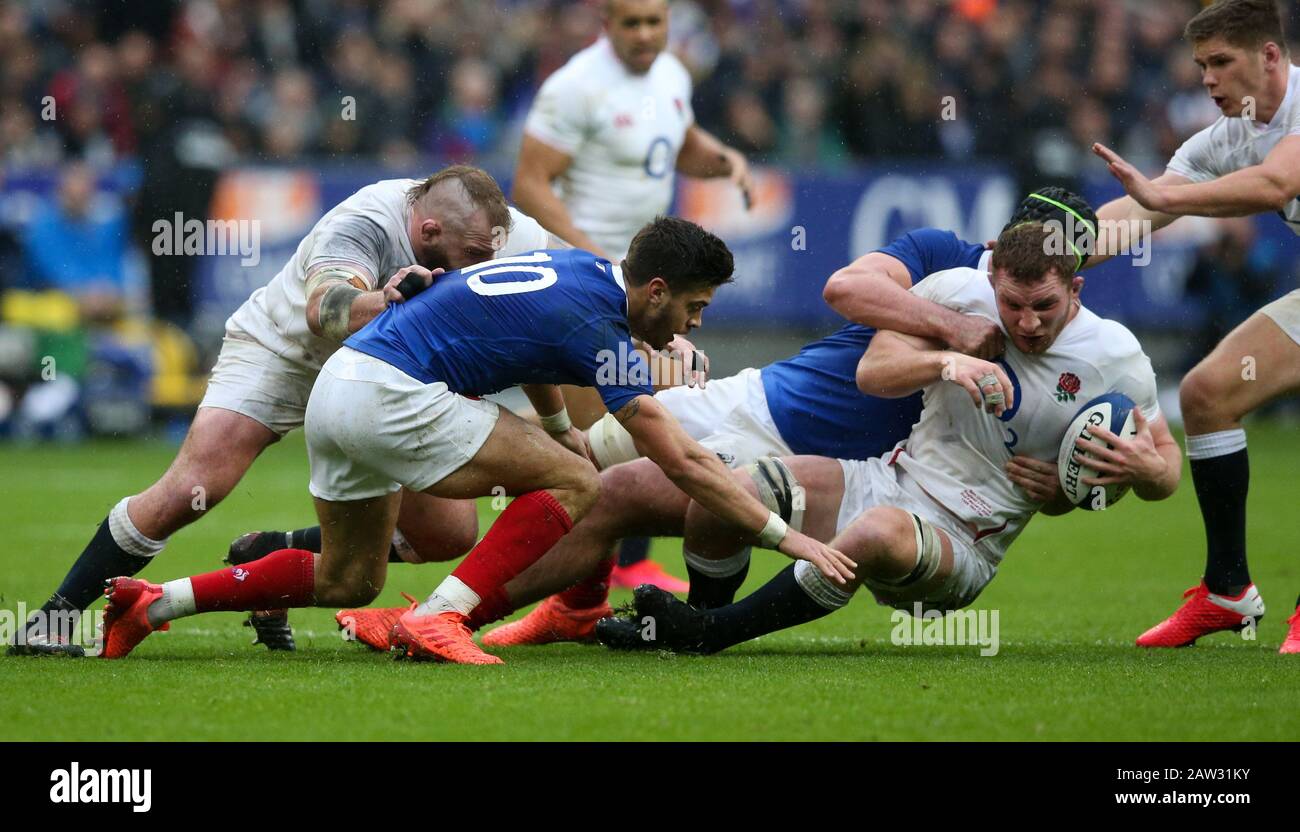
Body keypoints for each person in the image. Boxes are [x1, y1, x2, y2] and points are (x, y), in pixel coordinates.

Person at [97, 219, 854, 665]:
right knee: (578, 486)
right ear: (654, 290)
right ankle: (443, 616)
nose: (694, 324)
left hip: (342, 391)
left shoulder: (579, 274)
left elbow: (535, 357)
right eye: (693, 307)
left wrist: (561, 433)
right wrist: (791, 539)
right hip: (390, 392)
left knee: (348, 580)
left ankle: (153, 604)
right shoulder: (603, 324)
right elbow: (682, 460)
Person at [10, 166, 556, 656]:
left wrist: (557, 424)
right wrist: (389, 300)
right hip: (285, 351)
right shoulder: (367, 219)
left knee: (448, 534)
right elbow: (325, 309)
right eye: (474, 258)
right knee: (195, 487)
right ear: (429, 233)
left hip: (380, 374)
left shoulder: (506, 236)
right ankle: (52, 620)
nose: (481, 267)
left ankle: (271, 553)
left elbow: (531, 328)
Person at [596, 221, 1183, 655]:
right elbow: (872, 373)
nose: (1027, 323)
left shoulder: (1117, 356)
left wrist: (1141, 470)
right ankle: (683, 627)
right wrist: (946, 362)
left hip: (964, 537)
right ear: (992, 281)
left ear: (1076, 290)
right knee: (728, 492)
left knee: (876, 531)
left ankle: (711, 634)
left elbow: (1165, 470)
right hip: (887, 478)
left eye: (1045, 307)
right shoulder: (957, 291)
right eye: (1013, 305)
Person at [512, 0, 755, 591]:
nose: (645, 34)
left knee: (647, 416)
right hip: (592, 285)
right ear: (607, 25)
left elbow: (678, 142)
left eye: (655, 22)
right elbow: (529, 182)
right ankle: (555, 574)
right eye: (632, 23)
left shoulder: (671, 74)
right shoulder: (575, 88)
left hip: (650, 286)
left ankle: (615, 563)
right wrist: (594, 257)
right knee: (596, 438)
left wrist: (723, 160)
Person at [1090, 0, 1300, 653]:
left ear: (1270, 55)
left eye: (1221, 62)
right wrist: (1038, 251)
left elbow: (1275, 185)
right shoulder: (1225, 136)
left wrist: (1167, 199)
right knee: (1208, 395)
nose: (1207, 79)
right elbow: (1141, 210)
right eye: (1200, 65)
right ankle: (1227, 592)